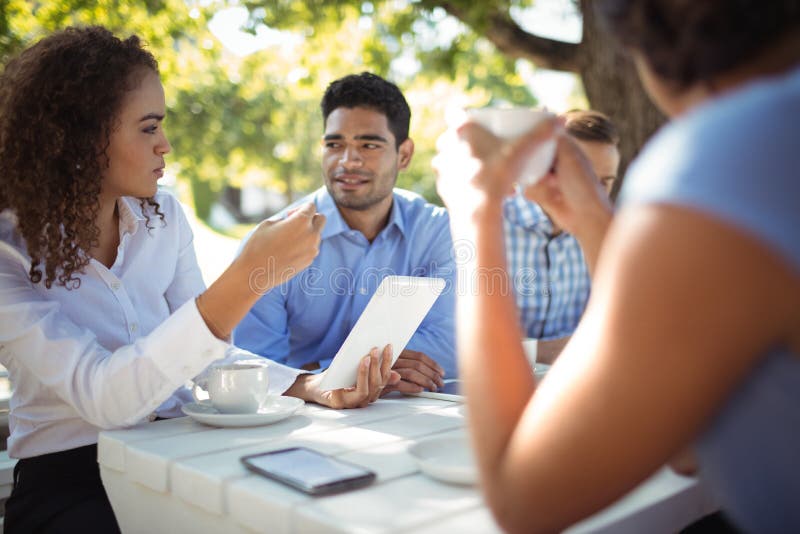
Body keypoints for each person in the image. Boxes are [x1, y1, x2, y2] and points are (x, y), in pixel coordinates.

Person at [0, 27, 395, 533]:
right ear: (79, 135)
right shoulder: (9, 251)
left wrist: (311, 386)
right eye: (148, 128)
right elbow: (103, 397)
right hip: (72, 479)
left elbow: (207, 356)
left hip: (180, 449)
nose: (165, 145)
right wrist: (248, 278)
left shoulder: (164, 217)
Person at [433, 0, 800, 532]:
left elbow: (525, 499)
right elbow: (685, 445)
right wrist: (593, 219)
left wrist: (474, 213)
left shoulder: (729, 158)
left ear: (642, 38)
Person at [234, 72, 456, 394]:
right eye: (335, 144)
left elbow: (451, 346)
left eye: (369, 145)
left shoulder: (438, 232)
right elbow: (252, 369)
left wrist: (314, 372)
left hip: (413, 418)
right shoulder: (273, 241)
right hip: (302, 422)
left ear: (404, 155)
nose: (348, 161)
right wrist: (343, 377)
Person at [504, 110, 619, 363]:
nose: (594, 195)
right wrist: (548, 351)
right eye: (585, 177)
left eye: (605, 182)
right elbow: (457, 342)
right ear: (545, 168)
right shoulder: (492, 223)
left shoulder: (611, 234)